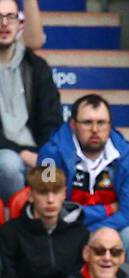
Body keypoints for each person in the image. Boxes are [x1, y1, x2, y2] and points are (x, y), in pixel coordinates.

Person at [36, 95, 129, 277]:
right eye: (87, 123)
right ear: (73, 124)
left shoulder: (127, 154)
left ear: (110, 125)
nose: (95, 130)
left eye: (101, 123)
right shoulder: (51, 154)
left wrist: (99, 231)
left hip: (114, 231)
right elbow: (52, 208)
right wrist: (108, 209)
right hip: (67, 232)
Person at [0, 166, 88, 278]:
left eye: (56, 192)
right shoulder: (10, 233)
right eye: (43, 192)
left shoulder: (80, 234)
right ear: (30, 195)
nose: (50, 200)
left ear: (64, 194)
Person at [0, 0, 60, 203]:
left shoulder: (36, 67)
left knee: (54, 166)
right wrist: (23, 153)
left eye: (10, 17)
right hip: (6, 155)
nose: (4, 24)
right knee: (8, 164)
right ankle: (15, 227)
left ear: (19, 23)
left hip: (37, 154)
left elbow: (52, 121)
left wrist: (45, 155)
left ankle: (46, 229)